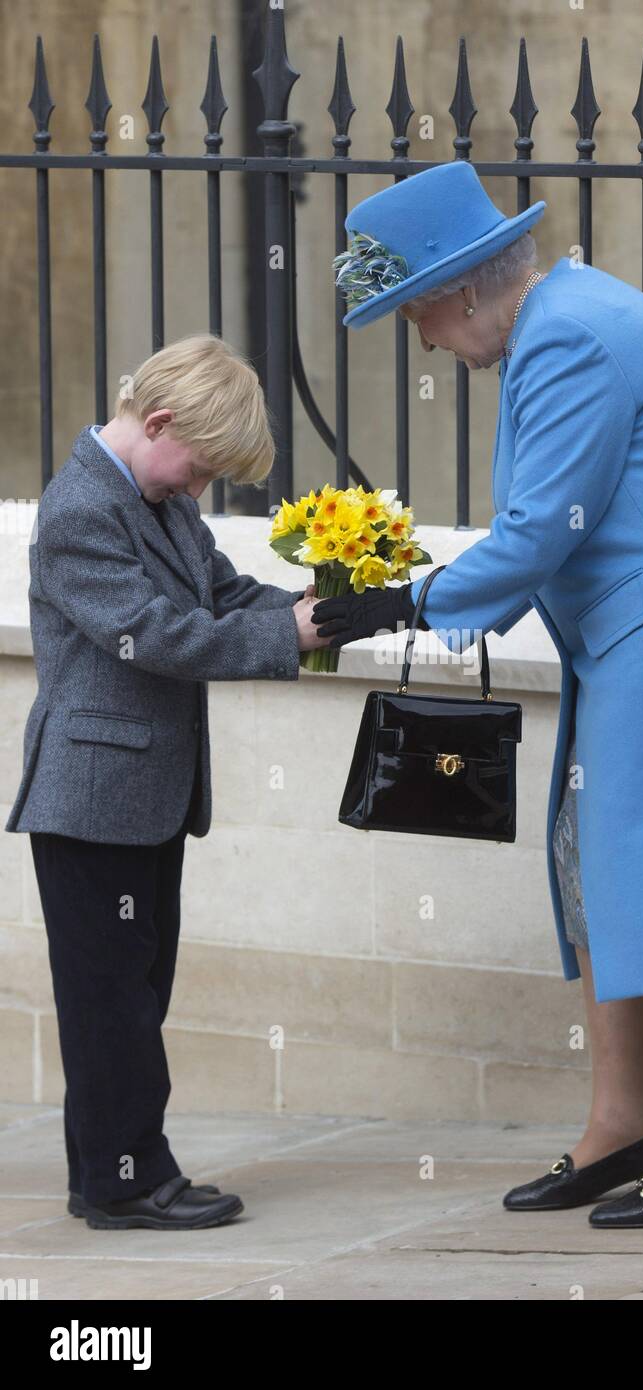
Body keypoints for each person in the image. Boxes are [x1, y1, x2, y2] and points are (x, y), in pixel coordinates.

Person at [312, 160, 643, 1228]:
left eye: (414, 314)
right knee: (589, 861)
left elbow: (537, 532)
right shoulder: (562, 315)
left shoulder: (565, 335)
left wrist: (396, 604)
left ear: (461, 291)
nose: (420, 342)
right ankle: (621, 1124)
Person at [5, 333, 332, 1231]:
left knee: (137, 991)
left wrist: (326, 608)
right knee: (112, 1004)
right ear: (156, 423)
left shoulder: (155, 500)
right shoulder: (81, 509)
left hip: (140, 798)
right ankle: (125, 1182)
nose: (199, 493)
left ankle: (108, 1174)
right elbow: (153, 635)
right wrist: (288, 639)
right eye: (199, 472)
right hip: (89, 799)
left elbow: (220, 599)